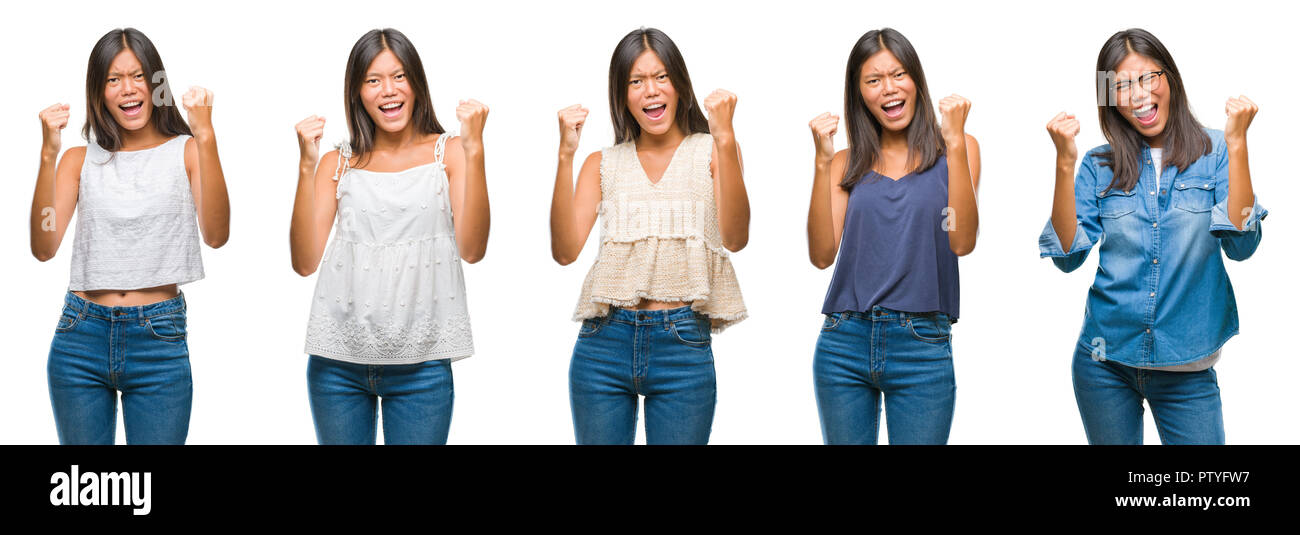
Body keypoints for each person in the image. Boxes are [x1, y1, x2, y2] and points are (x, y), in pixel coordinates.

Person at [1039, 28, 1265, 444]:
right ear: (1109, 96)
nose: (1138, 95)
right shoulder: (1097, 164)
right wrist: (1064, 165)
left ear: (1170, 79)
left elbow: (1242, 244)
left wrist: (1238, 146)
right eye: (1122, 85)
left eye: (1148, 78)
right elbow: (1067, 257)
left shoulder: (1216, 151)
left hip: (1187, 369)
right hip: (1104, 363)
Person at [290, 28, 490, 445]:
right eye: (373, 80)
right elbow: (304, 260)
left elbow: (473, 249)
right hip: (337, 363)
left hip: (423, 364)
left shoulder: (448, 153)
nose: (388, 90)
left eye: (398, 76)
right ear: (357, 92)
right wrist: (306, 167)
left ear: (416, 83)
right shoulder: (338, 161)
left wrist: (475, 150)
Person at [550, 27, 749, 445]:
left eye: (660, 77)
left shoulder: (711, 150)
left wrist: (726, 138)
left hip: (682, 344)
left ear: (679, 85)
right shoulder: (601, 163)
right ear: (622, 96)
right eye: (635, 82)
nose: (650, 91)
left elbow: (735, 235)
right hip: (603, 343)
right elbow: (565, 250)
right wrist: (565, 154)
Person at [32, 27, 230, 444]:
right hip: (80, 336)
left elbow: (216, 234)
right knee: (90, 488)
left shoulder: (187, 151)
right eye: (113, 79)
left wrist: (206, 135)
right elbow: (44, 245)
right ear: (99, 92)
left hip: (158, 339)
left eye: (138, 75)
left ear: (157, 84)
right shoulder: (77, 159)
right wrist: (49, 153)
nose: (128, 89)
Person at [806, 28, 981, 445]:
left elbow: (962, 241)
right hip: (844, 342)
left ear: (916, 81)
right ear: (859, 93)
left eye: (898, 74)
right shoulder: (846, 163)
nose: (889, 88)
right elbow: (821, 254)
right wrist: (821, 161)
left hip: (922, 345)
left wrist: (955, 143)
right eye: (874, 80)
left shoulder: (958, 148)